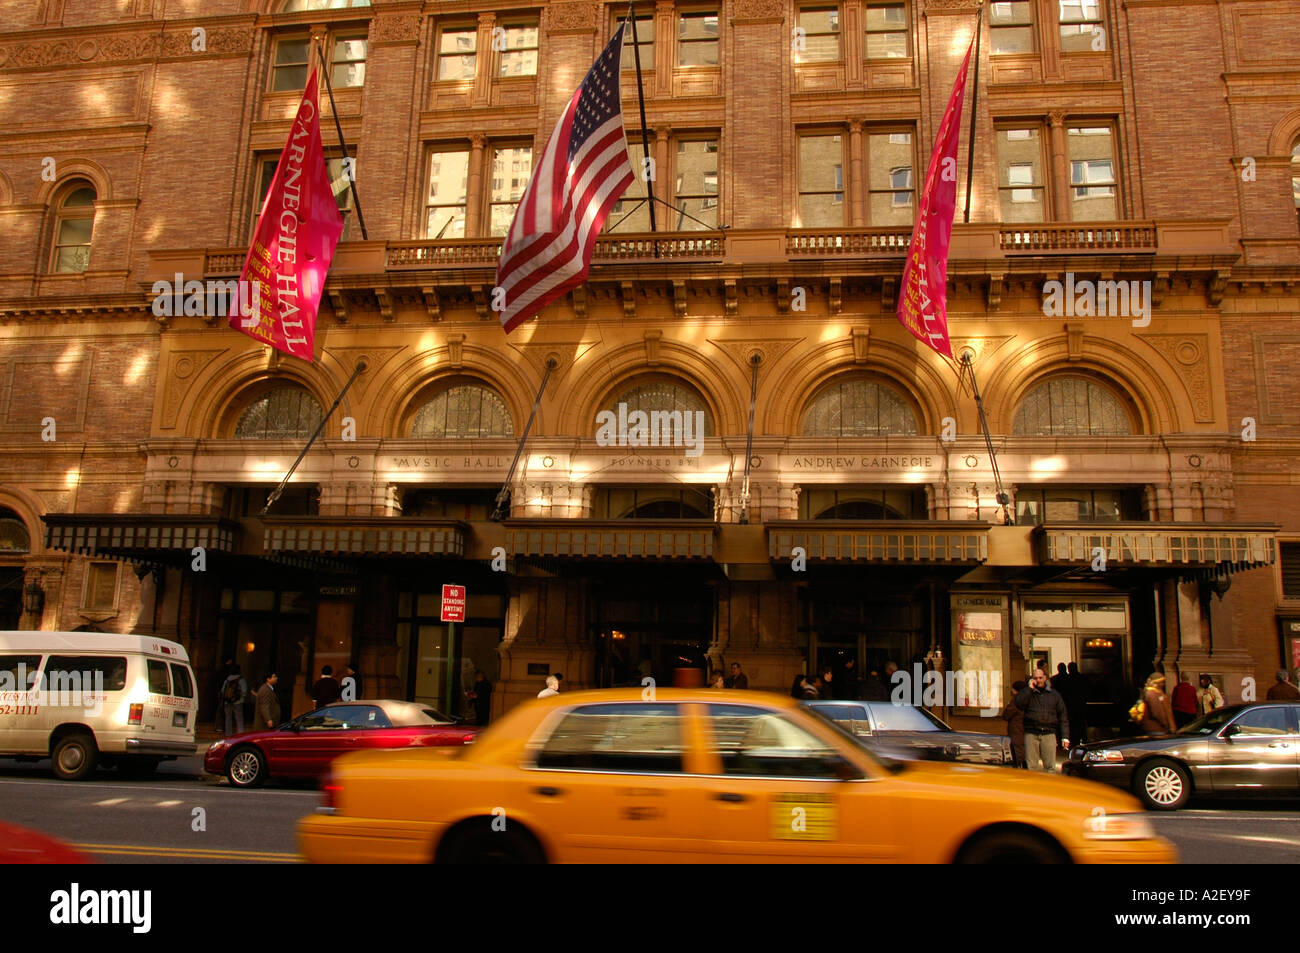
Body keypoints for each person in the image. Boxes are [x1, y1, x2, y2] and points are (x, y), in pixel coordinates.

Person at [1015, 668, 1069, 772]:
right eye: (1035, 678)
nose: (1038, 680)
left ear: (1045, 678)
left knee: (1050, 767)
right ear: (1032, 679)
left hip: (1049, 732)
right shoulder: (1028, 693)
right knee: (1031, 767)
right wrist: (1029, 689)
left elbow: (1063, 716)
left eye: (1040, 677)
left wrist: (1065, 737)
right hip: (1031, 732)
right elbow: (1019, 704)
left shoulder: (1054, 695)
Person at [1001, 680, 1028, 768]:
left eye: (1013, 689)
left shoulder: (1016, 702)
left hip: (1016, 730)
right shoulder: (1030, 700)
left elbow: (1006, 715)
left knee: (1017, 753)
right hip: (1025, 730)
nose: (1011, 691)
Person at [220, 663, 247, 737]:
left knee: (228, 718)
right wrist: (242, 698)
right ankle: (240, 735)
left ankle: (228, 734)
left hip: (227, 702)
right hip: (238, 702)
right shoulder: (241, 679)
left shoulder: (227, 680)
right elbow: (244, 691)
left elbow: (223, 691)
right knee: (239, 719)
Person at [1065, 661, 1088, 746]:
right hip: (1079, 704)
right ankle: (1083, 740)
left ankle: (1076, 740)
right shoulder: (1082, 678)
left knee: (1074, 725)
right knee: (1080, 725)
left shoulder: (1067, 679)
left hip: (1073, 705)